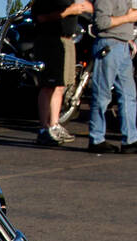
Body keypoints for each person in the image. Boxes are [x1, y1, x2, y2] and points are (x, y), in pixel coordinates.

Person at [87, 0, 137, 153]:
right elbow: (101, 23)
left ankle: (130, 139)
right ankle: (96, 139)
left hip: (123, 46)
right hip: (109, 45)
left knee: (129, 95)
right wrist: (127, 18)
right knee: (102, 95)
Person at [33, 0, 92, 145]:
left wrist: (83, 6)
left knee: (60, 86)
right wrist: (68, 12)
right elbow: (40, 17)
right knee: (48, 86)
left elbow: (91, 7)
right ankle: (44, 128)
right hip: (49, 41)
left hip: (68, 40)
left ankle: (54, 124)